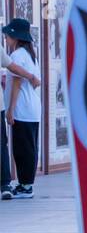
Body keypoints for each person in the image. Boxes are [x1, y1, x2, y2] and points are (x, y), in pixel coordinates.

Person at [0, 26, 41, 201]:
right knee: (28, 147)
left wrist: (10, 109)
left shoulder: (17, 55)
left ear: (15, 37)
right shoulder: (31, 54)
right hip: (32, 108)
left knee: (22, 149)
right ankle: (23, 184)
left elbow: (16, 81)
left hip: (22, 109)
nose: (6, 41)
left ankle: (25, 186)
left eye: (7, 37)